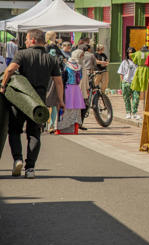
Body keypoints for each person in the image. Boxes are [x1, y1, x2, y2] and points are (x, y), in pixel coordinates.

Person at [0, 29, 64, 179]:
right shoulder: (51, 59)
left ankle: (18, 159)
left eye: (27, 40)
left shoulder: (22, 54)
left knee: (15, 130)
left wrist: (3, 86)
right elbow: (59, 82)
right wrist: (60, 101)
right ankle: (30, 168)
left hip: (20, 100)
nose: (26, 42)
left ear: (34, 40)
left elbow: (10, 69)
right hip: (39, 102)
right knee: (34, 134)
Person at [59, 49, 87, 131]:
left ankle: (68, 126)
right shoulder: (77, 66)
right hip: (73, 88)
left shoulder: (68, 65)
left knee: (71, 108)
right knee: (73, 108)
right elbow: (80, 77)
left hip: (71, 88)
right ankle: (69, 126)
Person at [79, 45, 98, 130]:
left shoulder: (72, 64)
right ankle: (79, 123)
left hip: (78, 85)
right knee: (85, 102)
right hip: (88, 74)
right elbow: (94, 64)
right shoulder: (91, 55)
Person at [118, 48, 139, 119]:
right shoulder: (124, 62)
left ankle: (135, 113)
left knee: (136, 98)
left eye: (132, 52)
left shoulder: (138, 62)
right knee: (126, 99)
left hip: (136, 83)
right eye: (129, 53)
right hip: (127, 83)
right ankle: (128, 112)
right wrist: (123, 82)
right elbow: (121, 73)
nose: (130, 54)